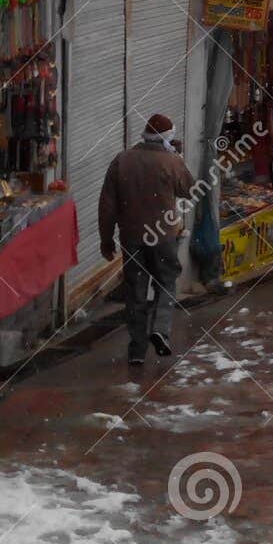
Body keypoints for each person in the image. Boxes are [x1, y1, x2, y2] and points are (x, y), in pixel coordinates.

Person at [98, 113, 196, 366]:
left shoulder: (122, 160)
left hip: (131, 237)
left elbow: (107, 205)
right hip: (163, 236)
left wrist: (106, 239)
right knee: (166, 283)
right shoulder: (171, 161)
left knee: (135, 292)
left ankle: (137, 350)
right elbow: (190, 190)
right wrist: (179, 159)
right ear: (167, 138)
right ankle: (160, 330)